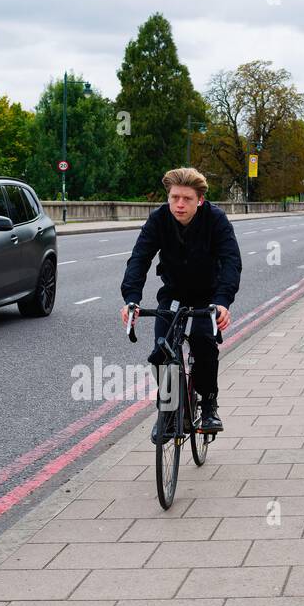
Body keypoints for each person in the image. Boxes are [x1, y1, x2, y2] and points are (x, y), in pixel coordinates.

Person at [119, 167, 241, 441]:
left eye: (186, 198)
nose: (179, 204)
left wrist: (222, 303)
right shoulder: (159, 220)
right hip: (173, 295)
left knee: (203, 341)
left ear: (199, 199)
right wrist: (131, 300)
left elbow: (231, 262)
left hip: (208, 296)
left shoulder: (216, 220)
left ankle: (209, 405)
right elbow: (139, 259)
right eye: (174, 197)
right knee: (162, 350)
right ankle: (171, 412)